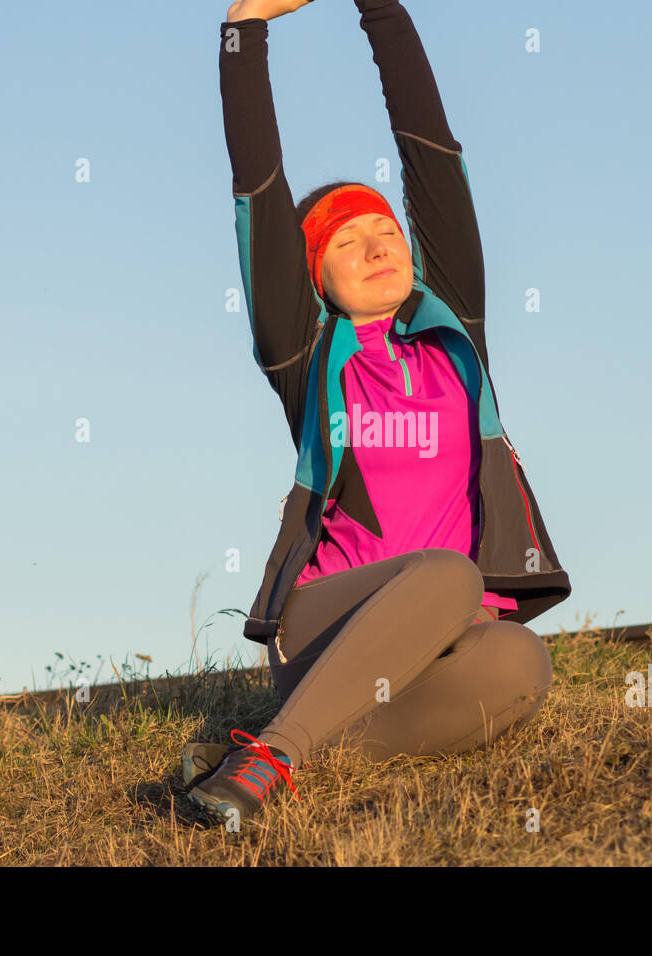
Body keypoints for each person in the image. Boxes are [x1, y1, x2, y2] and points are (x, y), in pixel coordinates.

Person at [187, 0, 570, 826]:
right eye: (346, 240)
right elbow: (258, 184)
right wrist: (244, 26)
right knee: (448, 573)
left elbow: (432, 157)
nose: (377, 244)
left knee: (519, 660)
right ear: (314, 277)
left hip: (436, 644)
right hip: (324, 629)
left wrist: (381, 9)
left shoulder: (452, 334)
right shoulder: (307, 354)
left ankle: (261, 748)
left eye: (385, 229)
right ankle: (275, 762)